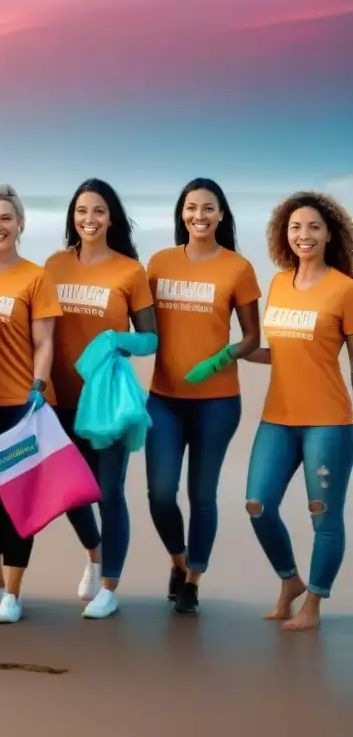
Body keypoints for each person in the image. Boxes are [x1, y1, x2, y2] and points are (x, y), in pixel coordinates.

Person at [0, 183, 94, 623]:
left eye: (5, 218)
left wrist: (38, 386)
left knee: (18, 497)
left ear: (20, 224)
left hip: (20, 404)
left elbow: (44, 342)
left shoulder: (35, 278)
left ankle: (13, 594)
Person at [145, 178, 262, 615]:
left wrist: (220, 359)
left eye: (208, 208)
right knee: (160, 494)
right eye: (192, 207)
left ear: (221, 214)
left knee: (202, 496)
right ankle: (178, 563)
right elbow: (138, 320)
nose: (200, 215)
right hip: (164, 398)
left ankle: (192, 581)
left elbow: (251, 337)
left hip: (217, 402)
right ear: (182, 213)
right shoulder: (159, 263)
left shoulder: (237, 268)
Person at [44, 178, 157, 620]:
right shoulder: (54, 265)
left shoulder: (129, 271)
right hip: (59, 397)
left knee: (109, 493)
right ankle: (95, 554)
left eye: (98, 211)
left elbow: (150, 340)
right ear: (72, 217)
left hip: (106, 402)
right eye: (81, 211)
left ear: (112, 219)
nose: (89, 219)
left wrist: (115, 338)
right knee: (71, 492)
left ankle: (110, 585)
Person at [244, 191, 353, 632]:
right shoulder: (277, 283)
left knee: (322, 514)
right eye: (295, 227)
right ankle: (290, 582)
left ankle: (313, 604)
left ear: (329, 234)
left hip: (328, 422)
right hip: (277, 418)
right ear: (283, 234)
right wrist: (236, 352)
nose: (303, 235)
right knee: (258, 505)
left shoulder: (344, 289)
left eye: (313, 227)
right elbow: (283, 351)